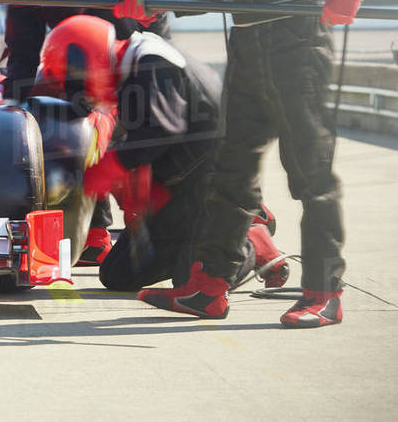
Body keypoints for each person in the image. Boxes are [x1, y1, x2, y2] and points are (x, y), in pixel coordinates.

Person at [120, 0, 373, 327]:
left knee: (310, 174)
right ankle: (208, 287)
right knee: (230, 172)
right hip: (251, 47)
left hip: (297, 43)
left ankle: (324, 290)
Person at [36, 15, 287, 294]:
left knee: (189, 279)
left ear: (87, 60)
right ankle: (200, 246)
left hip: (209, 183)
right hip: (179, 182)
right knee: (118, 275)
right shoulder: (129, 68)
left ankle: (251, 241)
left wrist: (112, 167)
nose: (83, 93)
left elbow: (161, 132)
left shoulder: (153, 62)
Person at [0, 0, 169, 265]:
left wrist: (97, 109)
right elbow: (22, 52)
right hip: (80, 57)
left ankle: (149, 219)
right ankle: (96, 234)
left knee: (114, 131)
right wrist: (14, 111)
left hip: (133, 54)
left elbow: (124, 60)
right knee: (55, 117)